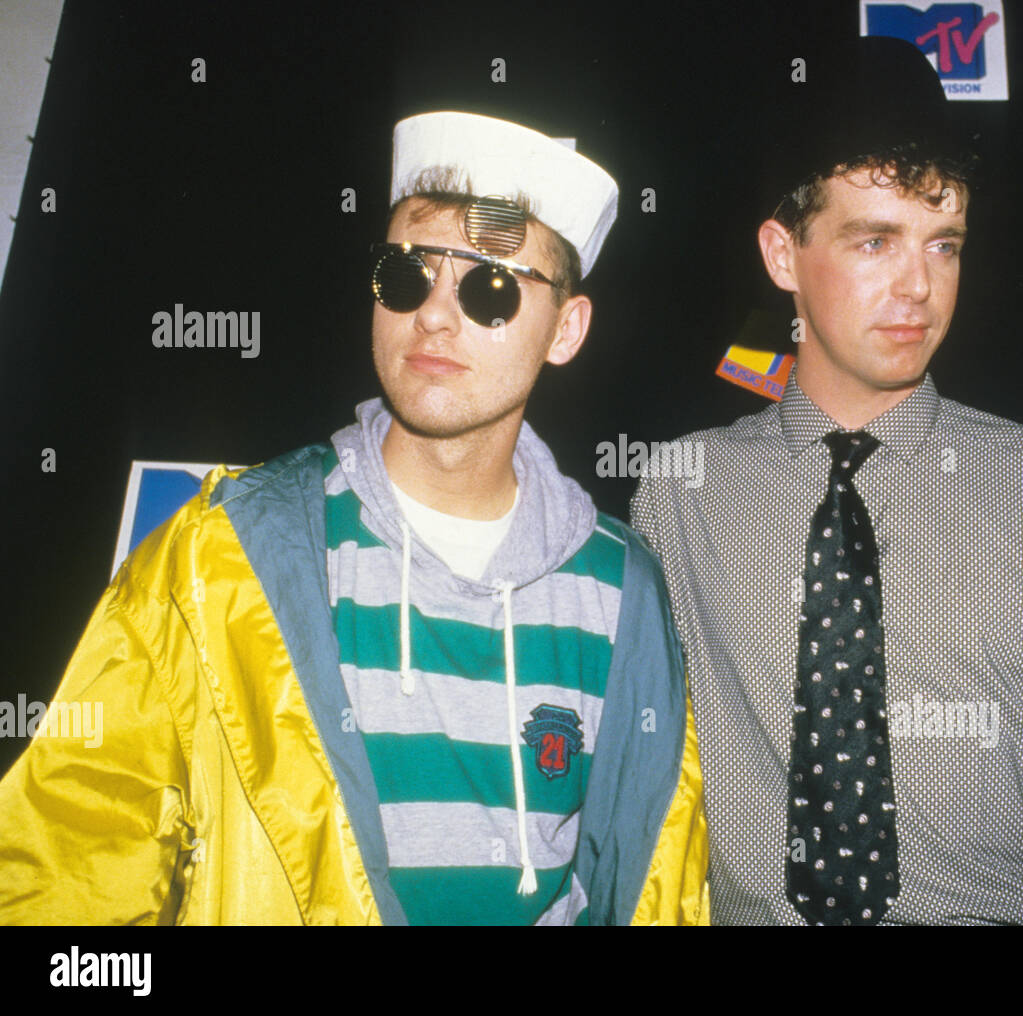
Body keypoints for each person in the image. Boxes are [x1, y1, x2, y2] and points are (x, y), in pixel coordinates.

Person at [0, 110, 708, 926]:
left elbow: (655, 891)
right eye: (407, 276)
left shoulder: (623, 593)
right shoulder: (222, 560)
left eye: (490, 286)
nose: (435, 316)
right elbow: (66, 875)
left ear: (567, 329)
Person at [630, 37, 1023, 926]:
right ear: (783, 257)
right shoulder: (678, 494)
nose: (918, 287)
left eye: (943, 246)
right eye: (875, 241)